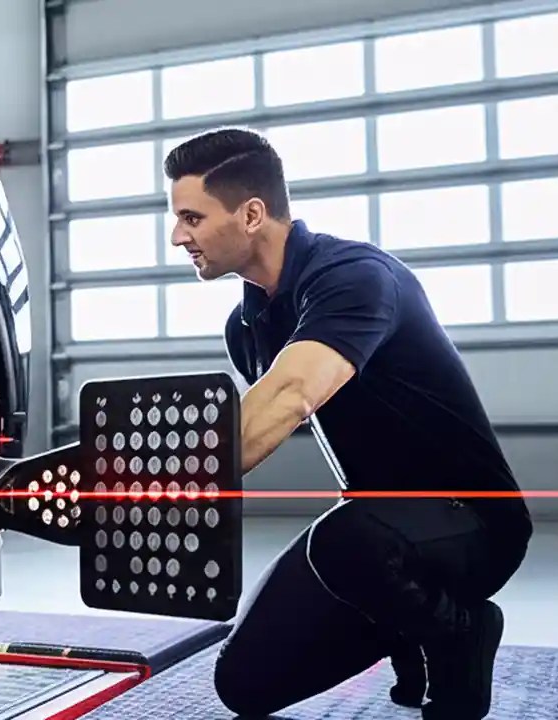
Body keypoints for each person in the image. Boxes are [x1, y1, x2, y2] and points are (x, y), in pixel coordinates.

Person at [163, 127, 533, 719]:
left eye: (191, 217)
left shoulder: (354, 276)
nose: (177, 236)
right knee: (244, 685)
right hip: (379, 533)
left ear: (252, 213)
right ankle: (405, 630)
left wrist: (154, 486)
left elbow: (287, 396)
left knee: (342, 538)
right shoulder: (247, 326)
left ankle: (458, 632)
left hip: (475, 523)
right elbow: (249, 429)